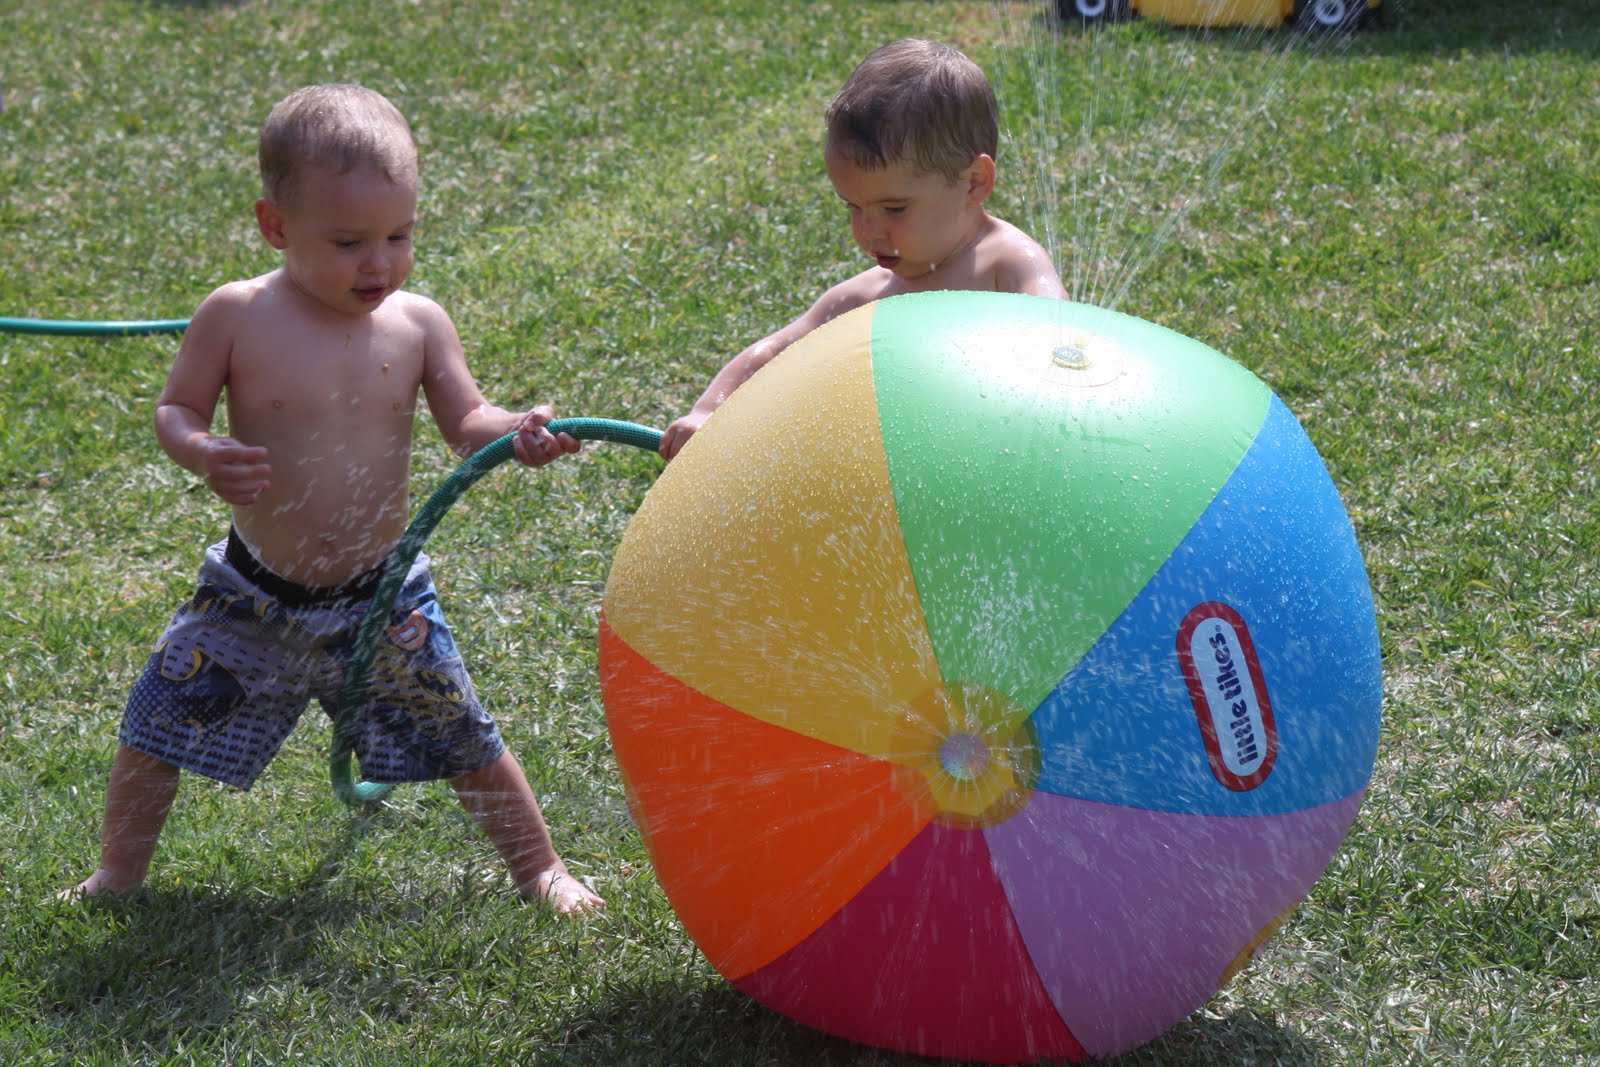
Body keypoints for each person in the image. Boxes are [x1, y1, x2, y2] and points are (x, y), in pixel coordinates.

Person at [61, 84, 604, 915]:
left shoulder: (417, 324)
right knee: (152, 730)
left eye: (400, 235)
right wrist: (202, 451)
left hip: (382, 595)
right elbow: (176, 410)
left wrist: (518, 429)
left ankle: (540, 868)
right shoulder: (237, 315)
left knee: (465, 735)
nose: (379, 263)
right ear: (275, 227)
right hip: (253, 594)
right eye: (349, 241)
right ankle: (118, 874)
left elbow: (467, 419)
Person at [658, 38, 1067, 459]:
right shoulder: (866, 297)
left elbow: (1060, 329)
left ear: (974, 182)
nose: (869, 231)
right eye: (853, 207)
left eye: (894, 208)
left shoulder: (1007, 262)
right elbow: (775, 351)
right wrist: (709, 410)